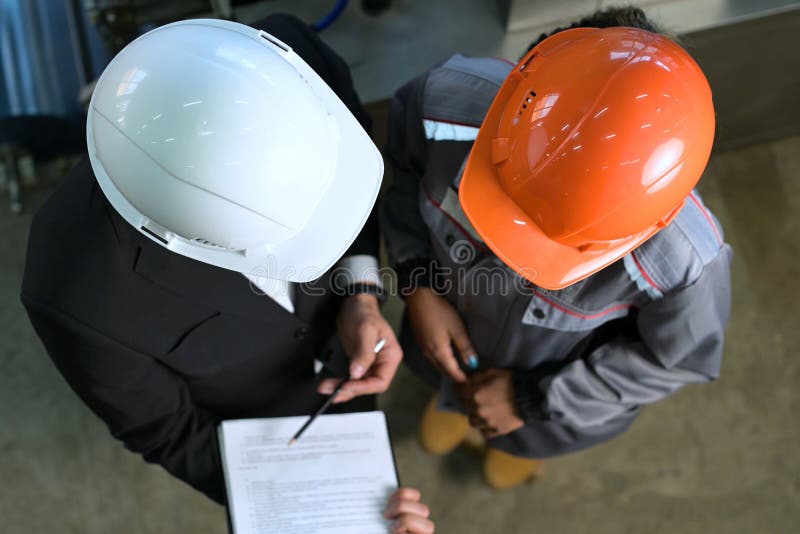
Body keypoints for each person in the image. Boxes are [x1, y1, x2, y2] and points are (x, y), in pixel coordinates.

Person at [21, 14, 412, 512]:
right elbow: (170, 433)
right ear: (178, 233)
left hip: (351, 358)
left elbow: (349, 195)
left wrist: (361, 293)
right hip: (261, 430)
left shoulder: (290, 62)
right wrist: (307, 510)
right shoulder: (76, 296)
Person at [380, 6, 732, 490]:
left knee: (512, 450)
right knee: (445, 403)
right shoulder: (439, 106)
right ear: (515, 90)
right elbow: (399, 180)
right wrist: (417, 284)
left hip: (548, 414)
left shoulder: (683, 263)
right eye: (504, 199)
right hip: (439, 347)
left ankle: (516, 454)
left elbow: (675, 359)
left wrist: (529, 401)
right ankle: (453, 409)